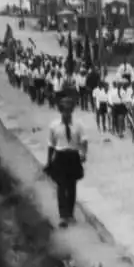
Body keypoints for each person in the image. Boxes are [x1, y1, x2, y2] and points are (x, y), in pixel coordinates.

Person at [46, 95, 89, 227]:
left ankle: (70, 214)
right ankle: (63, 215)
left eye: (69, 110)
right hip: (60, 156)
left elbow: (84, 141)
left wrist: (83, 153)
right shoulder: (53, 125)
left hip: (73, 156)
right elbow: (51, 144)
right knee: (61, 186)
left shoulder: (78, 125)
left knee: (72, 187)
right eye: (64, 110)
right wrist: (49, 162)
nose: (67, 113)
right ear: (60, 110)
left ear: (72, 111)